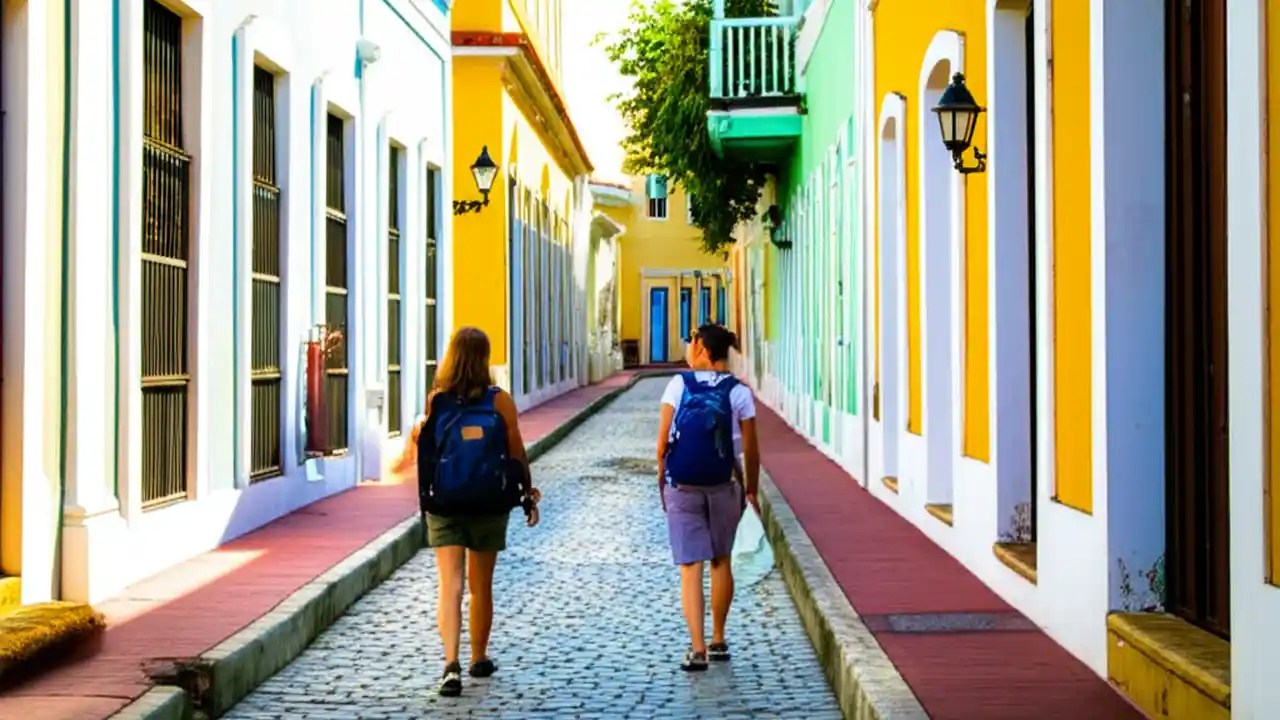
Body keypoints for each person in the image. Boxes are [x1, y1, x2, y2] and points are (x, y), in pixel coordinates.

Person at [410, 327, 540, 697]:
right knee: (480, 587)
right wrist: (527, 494)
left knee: (449, 586)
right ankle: (478, 657)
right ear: (484, 358)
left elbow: (427, 455)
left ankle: (450, 663)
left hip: (446, 503)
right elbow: (516, 454)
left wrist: (426, 499)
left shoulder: (438, 401)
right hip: (488, 502)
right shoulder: (499, 401)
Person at [656, 323, 761, 672]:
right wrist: (750, 488)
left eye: (691, 341)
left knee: (690, 567)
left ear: (701, 348)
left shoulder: (678, 385)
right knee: (721, 561)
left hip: (682, 485)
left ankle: (697, 648)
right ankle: (718, 639)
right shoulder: (739, 392)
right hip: (723, 484)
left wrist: (662, 479)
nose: (688, 346)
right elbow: (749, 448)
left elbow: (661, 445)